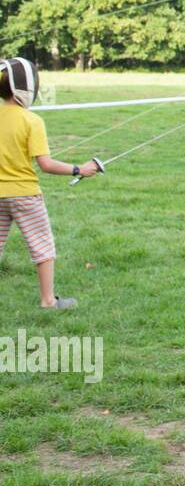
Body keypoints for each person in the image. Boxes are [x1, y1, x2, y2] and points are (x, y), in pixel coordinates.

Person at [0, 57, 99, 309]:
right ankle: (47, 301)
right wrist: (80, 169)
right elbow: (46, 164)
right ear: (28, 86)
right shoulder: (32, 121)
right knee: (42, 245)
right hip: (25, 195)